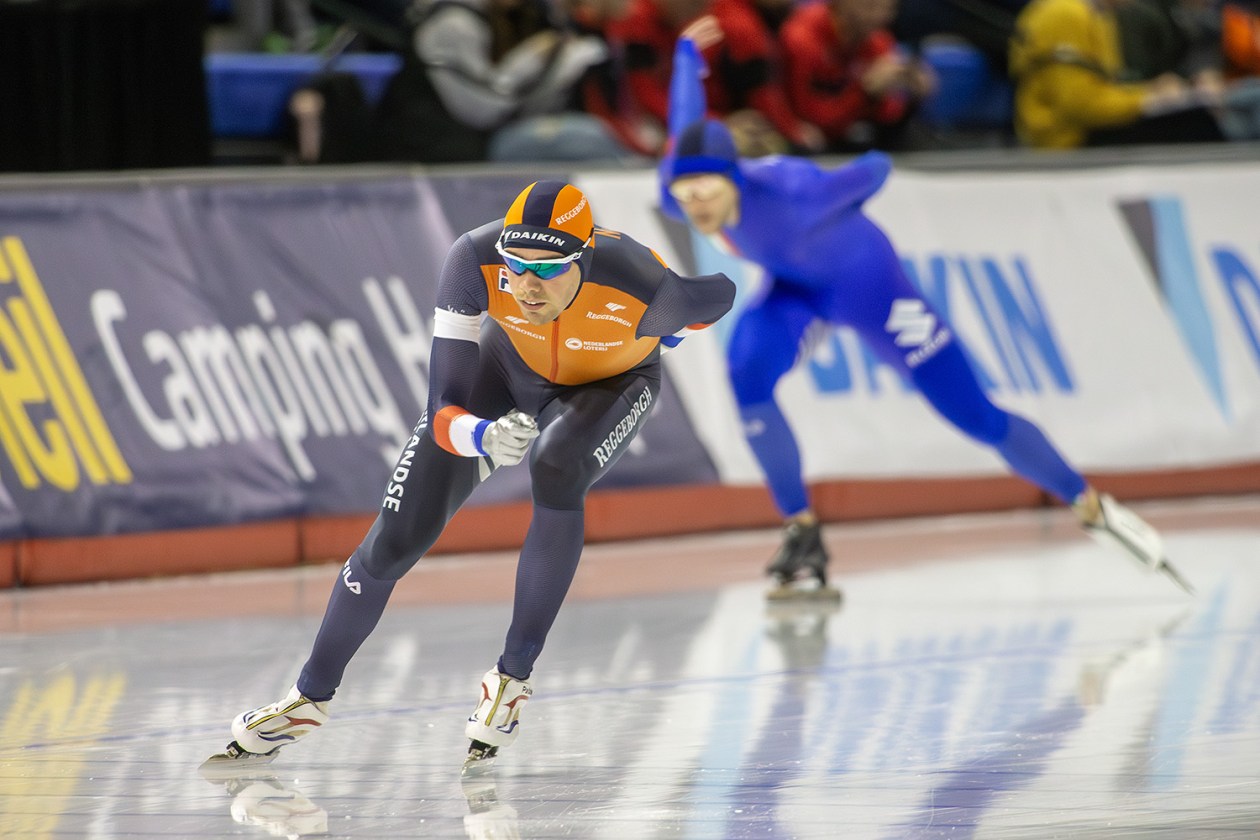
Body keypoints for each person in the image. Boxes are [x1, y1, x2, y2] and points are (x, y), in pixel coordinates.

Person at [203, 180, 735, 771]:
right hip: (506, 367)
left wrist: (666, 337)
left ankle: (511, 681)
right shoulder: (473, 258)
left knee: (556, 468)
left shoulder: (641, 283)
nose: (528, 286)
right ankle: (308, 697)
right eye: (517, 266)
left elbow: (719, 293)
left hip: (611, 385)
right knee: (393, 541)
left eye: (549, 268)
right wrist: (481, 436)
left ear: (583, 258)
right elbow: (442, 410)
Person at [659, 34, 1192, 601]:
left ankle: (1091, 505)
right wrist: (686, 62)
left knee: (974, 418)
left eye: (706, 190)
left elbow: (875, 167)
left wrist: (843, 203)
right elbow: (683, 129)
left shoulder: (793, 190)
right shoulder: (681, 187)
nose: (696, 206)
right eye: (685, 194)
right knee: (746, 375)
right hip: (797, 289)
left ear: (734, 176)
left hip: (869, 285)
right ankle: (803, 531)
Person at [1008, 0, 1226, 148]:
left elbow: (1102, 89)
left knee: (1199, 115)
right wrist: (1149, 97)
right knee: (1196, 126)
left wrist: (1150, 90)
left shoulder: (1100, 15)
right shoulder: (1066, 14)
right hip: (1066, 141)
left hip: (1087, 131)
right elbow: (1080, 107)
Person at [778, 0, 937, 152]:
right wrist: (864, 93)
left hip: (849, 136)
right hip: (805, 142)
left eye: (889, 8)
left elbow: (887, 116)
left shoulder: (879, 41)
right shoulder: (802, 37)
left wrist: (912, 96)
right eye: (870, 5)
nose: (880, 16)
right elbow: (810, 120)